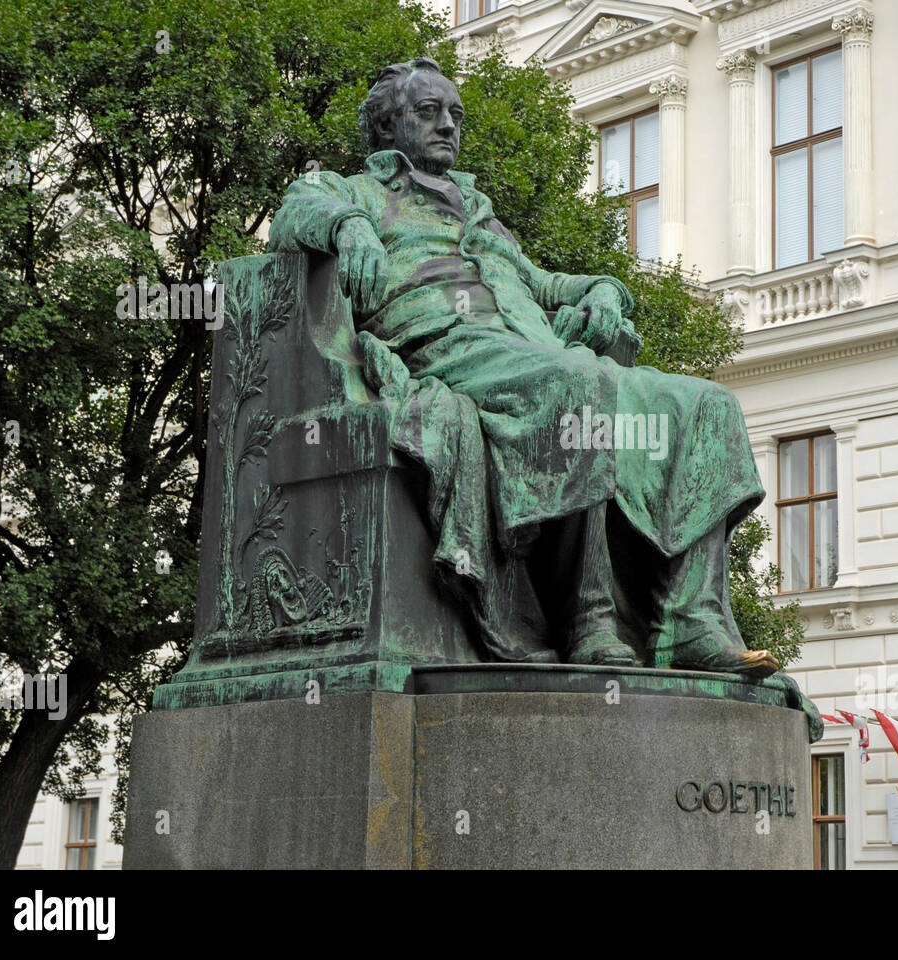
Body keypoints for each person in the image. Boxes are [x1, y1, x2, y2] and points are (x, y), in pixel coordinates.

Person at [268, 58, 778, 679]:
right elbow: (295, 210)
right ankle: (589, 619)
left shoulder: (479, 210)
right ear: (385, 127)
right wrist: (348, 225)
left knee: (706, 405)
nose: (448, 125)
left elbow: (541, 284)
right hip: (447, 346)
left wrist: (601, 288)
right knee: (577, 385)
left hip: (529, 347)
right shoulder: (360, 193)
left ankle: (689, 623)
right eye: (427, 112)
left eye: (455, 114)